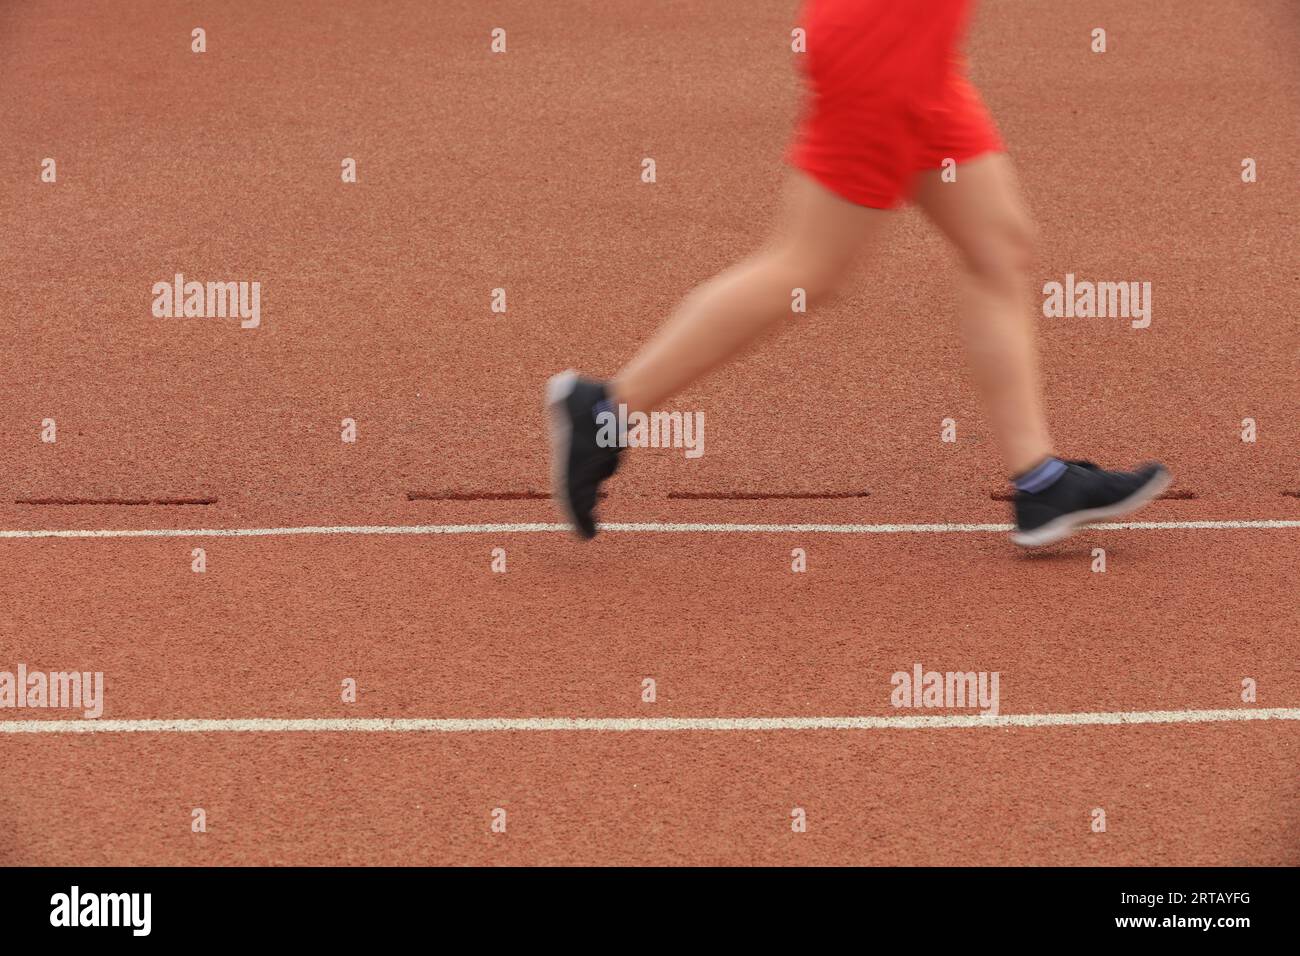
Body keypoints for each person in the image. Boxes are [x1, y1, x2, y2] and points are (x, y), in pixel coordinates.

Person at [547, 0, 1169, 548]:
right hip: (886, 45)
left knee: (998, 247)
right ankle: (606, 409)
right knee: (807, 267)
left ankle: (1042, 483)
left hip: (916, 51)